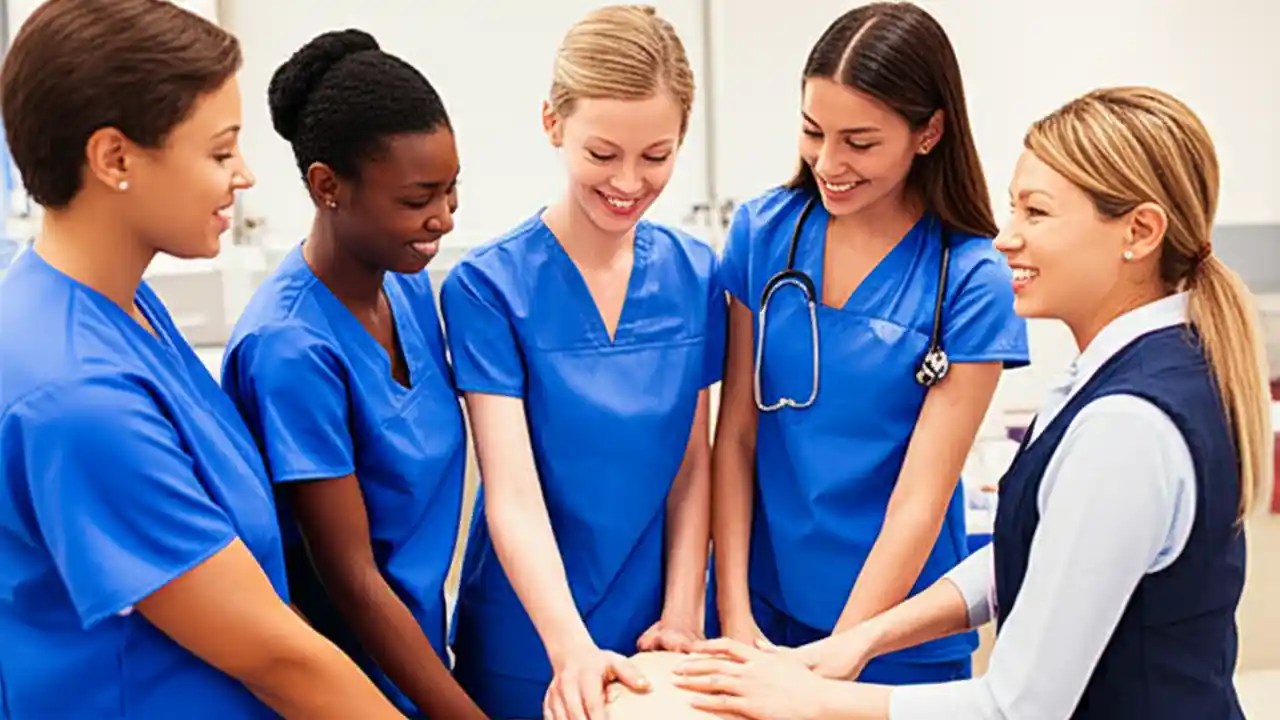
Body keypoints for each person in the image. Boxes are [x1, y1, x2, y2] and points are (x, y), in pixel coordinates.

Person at [672, 86, 1270, 720]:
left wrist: (817, 700)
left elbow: (1017, 708)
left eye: (1036, 213)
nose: (1006, 239)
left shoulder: (1127, 427)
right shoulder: (1143, 370)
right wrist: (861, 641)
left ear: (1140, 232)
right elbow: (1039, 554)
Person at [0, 1, 401, 718]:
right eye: (220, 152)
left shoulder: (120, 307)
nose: (243, 176)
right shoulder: (74, 391)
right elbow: (273, 656)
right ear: (114, 158)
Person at [709, 0, 1029, 686]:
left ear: (928, 131)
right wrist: (734, 616)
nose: (829, 162)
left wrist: (842, 654)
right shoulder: (765, 232)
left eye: (859, 141)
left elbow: (921, 497)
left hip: (895, 637)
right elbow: (734, 435)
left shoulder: (971, 278)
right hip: (761, 615)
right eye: (812, 131)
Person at [439, 5, 725, 719]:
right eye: (603, 154)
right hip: (530, 638)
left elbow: (693, 467)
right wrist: (567, 648)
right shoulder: (489, 287)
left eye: (656, 156)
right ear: (552, 124)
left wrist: (684, 613)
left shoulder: (696, 275)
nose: (628, 181)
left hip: (660, 633)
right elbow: (511, 492)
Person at [220, 30, 482, 719]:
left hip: (423, 657)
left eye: (452, 190)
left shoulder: (408, 288)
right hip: (347, 689)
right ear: (327, 187)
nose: (444, 218)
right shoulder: (289, 348)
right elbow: (352, 582)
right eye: (418, 198)